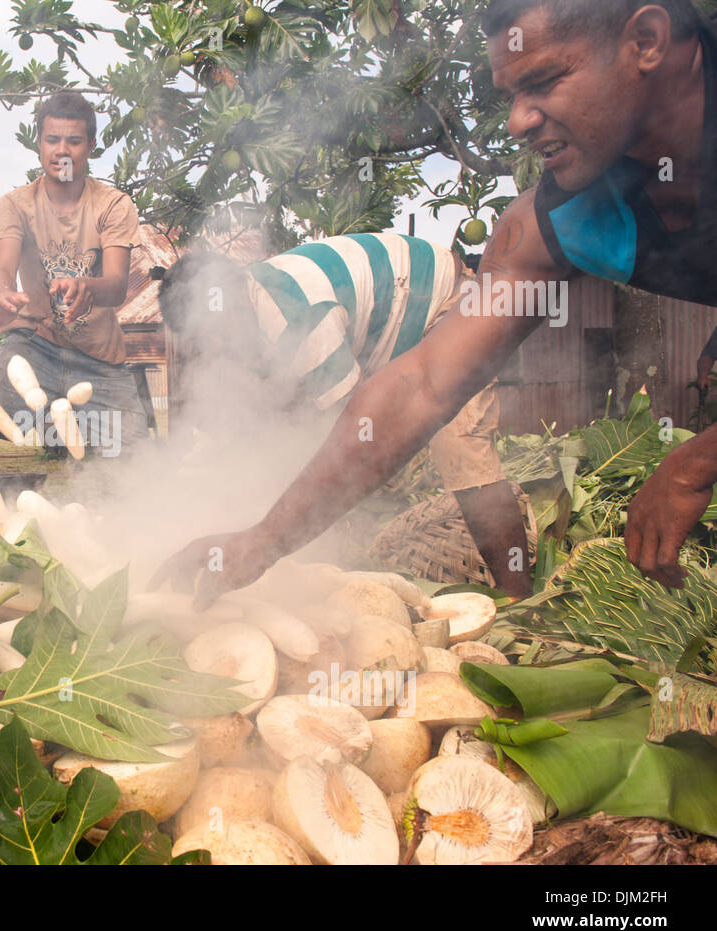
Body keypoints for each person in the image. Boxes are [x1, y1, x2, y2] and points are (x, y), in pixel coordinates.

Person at [154, 0, 717, 603]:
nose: (518, 122)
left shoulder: (298, 312)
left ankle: (515, 589)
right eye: (508, 94)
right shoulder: (554, 221)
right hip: (412, 318)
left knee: (467, 452)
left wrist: (692, 464)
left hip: (429, 293)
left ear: (649, 41)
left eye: (544, 81)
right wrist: (265, 540)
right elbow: (420, 385)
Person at [157, 234, 532, 598]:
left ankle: (519, 600)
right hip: (393, 331)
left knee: (462, 449)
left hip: (447, 302)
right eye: (207, 336)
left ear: (237, 289)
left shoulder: (297, 315)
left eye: (219, 326)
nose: (220, 345)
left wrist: (266, 542)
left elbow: (360, 442)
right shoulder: (251, 312)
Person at [0, 91, 148, 484]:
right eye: (52, 140)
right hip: (34, 347)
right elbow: (2, 270)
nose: (62, 151)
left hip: (99, 357)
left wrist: (87, 286)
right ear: (38, 143)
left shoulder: (113, 204)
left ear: (91, 146)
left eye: (74, 141)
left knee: (137, 470)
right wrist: (2, 297)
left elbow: (116, 286)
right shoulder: (15, 204)